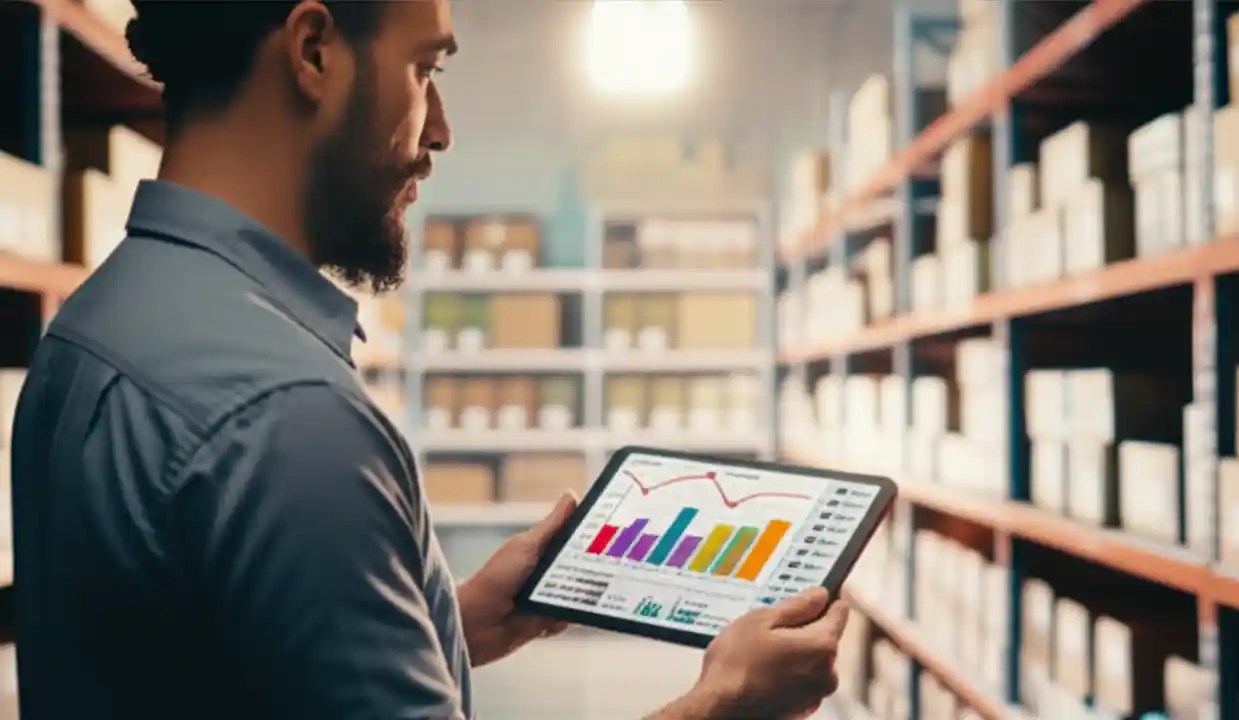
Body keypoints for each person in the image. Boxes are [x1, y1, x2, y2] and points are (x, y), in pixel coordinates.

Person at [10, 1, 851, 718]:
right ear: (313, 52)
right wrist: (722, 704)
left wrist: (455, 619)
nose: (440, 129)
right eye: (423, 70)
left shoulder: (94, 325)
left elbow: (209, 664)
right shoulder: (289, 414)